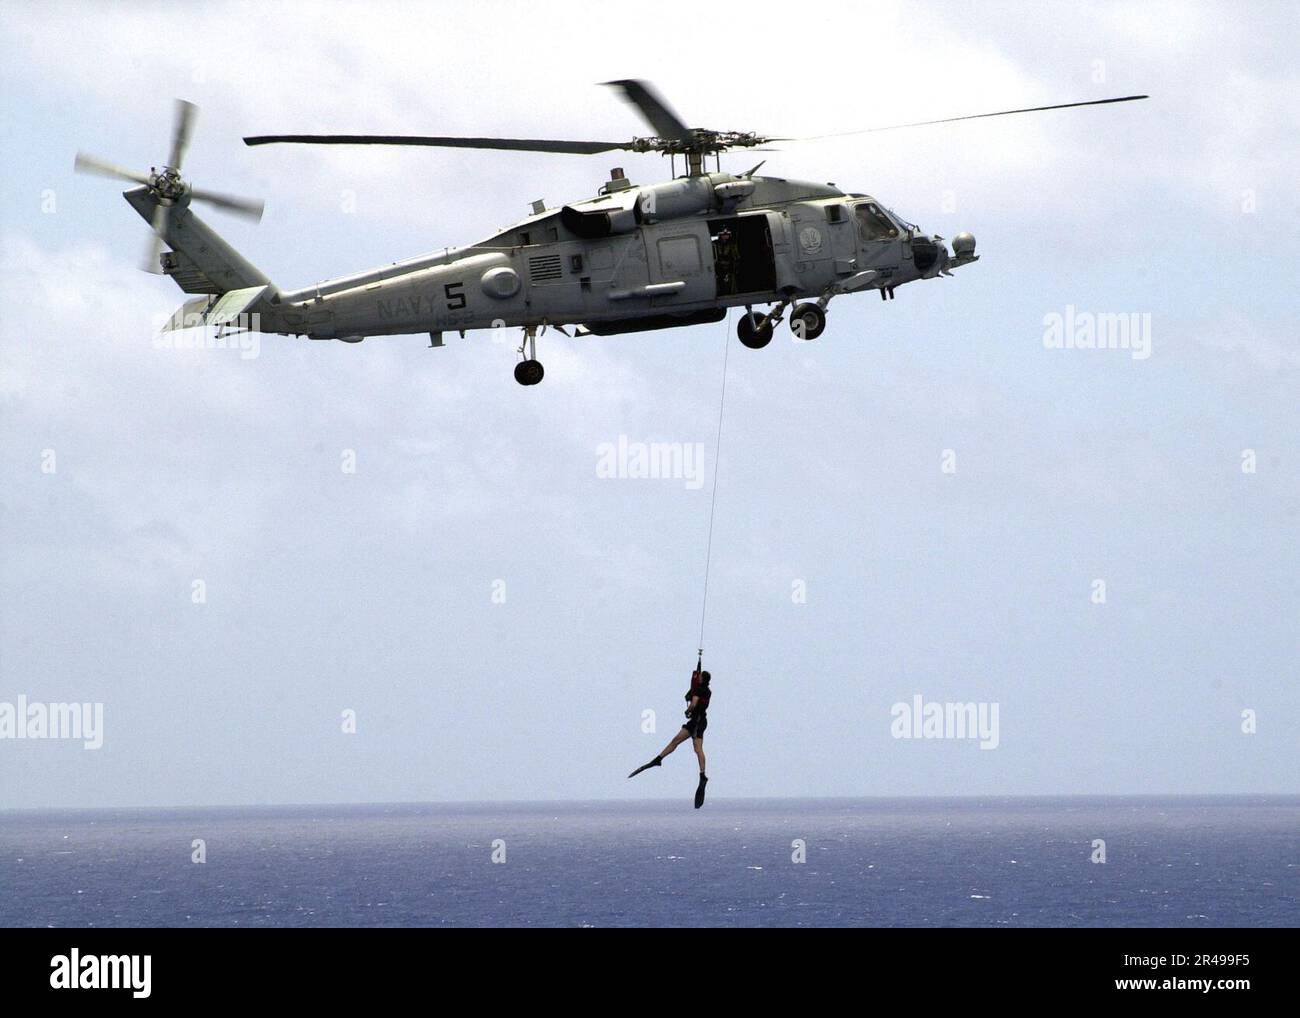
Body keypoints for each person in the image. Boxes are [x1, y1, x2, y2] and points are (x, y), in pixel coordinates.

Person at [628, 662, 712, 808]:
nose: (697, 679)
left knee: (697, 748)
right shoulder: (707, 690)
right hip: (697, 721)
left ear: (702, 679)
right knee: (676, 740)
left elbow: (694, 703)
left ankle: (702, 775)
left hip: (697, 722)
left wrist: (688, 710)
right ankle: (658, 759)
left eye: (699, 678)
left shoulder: (700, 690)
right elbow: (696, 699)